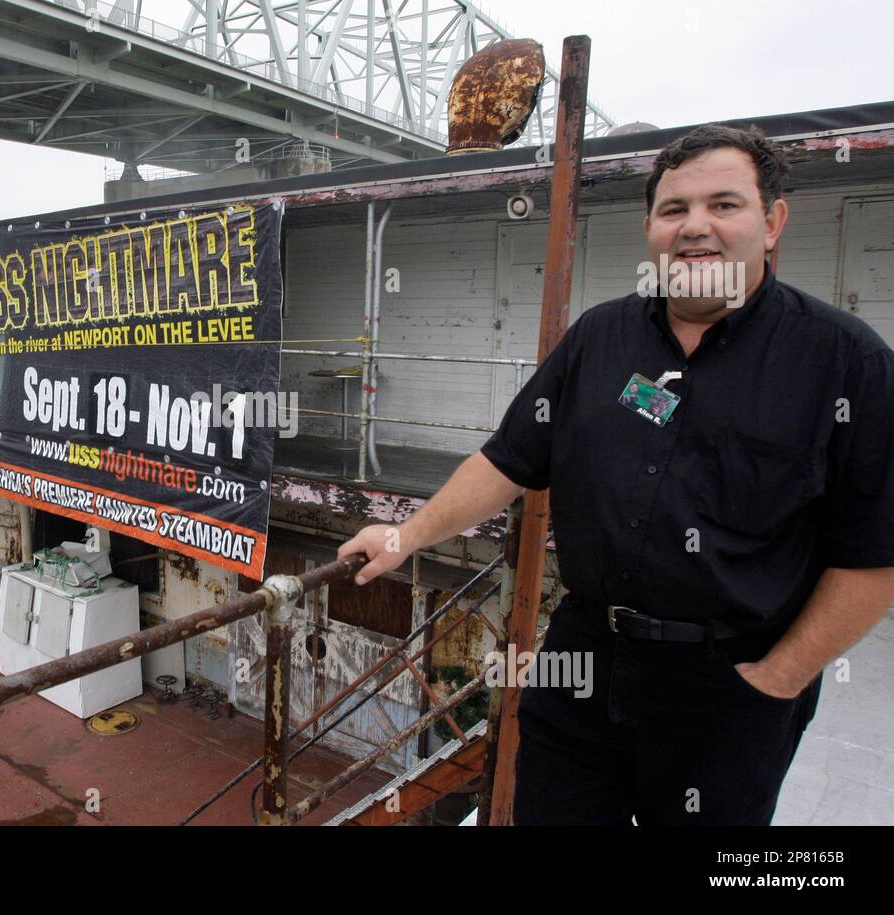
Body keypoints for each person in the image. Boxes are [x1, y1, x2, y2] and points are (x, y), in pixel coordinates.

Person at [338, 124, 894, 825]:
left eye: (724, 205)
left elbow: (873, 557)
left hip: (728, 687)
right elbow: (507, 458)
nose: (695, 227)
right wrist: (406, 535)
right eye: (674, 209)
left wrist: (776, 679)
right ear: (650, 229)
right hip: (585, 657)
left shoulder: (846, 364)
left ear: (773, 221)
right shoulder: (601, 337)